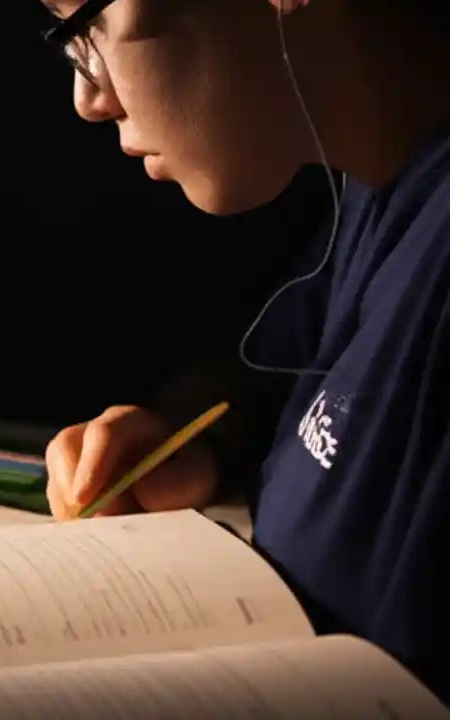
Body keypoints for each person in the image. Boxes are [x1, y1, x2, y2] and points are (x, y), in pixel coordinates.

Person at [38, 0, 450, 704]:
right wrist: (197, 443)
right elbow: (285, 378)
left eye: (88, 28)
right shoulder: (381, 184)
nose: (89, 99)